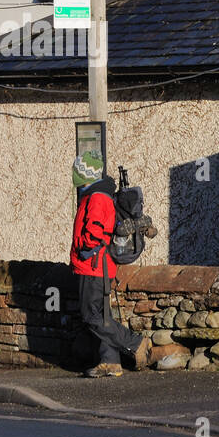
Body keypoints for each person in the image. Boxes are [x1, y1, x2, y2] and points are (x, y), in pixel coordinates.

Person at [70, 151, 150, 377]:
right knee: (103, 316)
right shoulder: (99, 194)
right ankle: (111, 361)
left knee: (91, 316)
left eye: (78, 169)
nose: (74, 173)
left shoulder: (96, 197)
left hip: (93, 265)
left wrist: (84, 249)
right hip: (99, 265)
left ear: (86, 171)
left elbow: (94, 232)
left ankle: (135, 343)